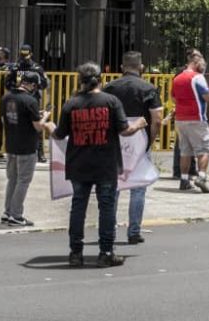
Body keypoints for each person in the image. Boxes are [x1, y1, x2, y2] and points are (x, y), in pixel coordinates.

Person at [50, 63, 148, 268]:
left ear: (80, 80)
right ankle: (106, 252)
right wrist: (138, 125)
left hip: (79, 164)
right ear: (100, 79)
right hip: (105, 164)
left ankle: (75, 253)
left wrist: (46, 125)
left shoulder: (71, 104)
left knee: (78, 207)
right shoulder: (111, 101)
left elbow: (59, 134)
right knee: (107, 207)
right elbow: (124, 130)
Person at [103, 51, 164, 244]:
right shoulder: (149, 89)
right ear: (142, 68)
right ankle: (134, 231)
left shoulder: (109, 87)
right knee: (138, 187)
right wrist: (149, 141)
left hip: (115, 140)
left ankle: (109, 230)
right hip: (139, 139)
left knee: (113, 187)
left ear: (121, 68)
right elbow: (157, 120)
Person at [1, 72, 52, 227]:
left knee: (12, 180)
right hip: (26, 146)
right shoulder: (30, 101)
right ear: (32, 85)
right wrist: (46, 116)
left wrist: (37, 114)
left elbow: (5, 120)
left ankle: (7, 212)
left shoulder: (7, 97)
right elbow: (37, 127)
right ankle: (16, 215)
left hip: (11, 144)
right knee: (23, 181)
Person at [171, 53, 209, 193]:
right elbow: (207, 97)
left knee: (185, 151)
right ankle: (201, 177)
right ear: (195, 63)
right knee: (204, 149)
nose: (203, 67)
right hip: (196, 118)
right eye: (202, 63)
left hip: (180, 119)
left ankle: (184, 180)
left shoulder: (177, 78)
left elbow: (173, 98)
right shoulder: (197, 77)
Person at [7, 44, 50, 161]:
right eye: (22, 55)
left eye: (26, 55)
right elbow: (7, 83)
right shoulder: (16, 68)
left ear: (31, 54)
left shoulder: (37, 68)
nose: (23, 57)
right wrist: (15, 86)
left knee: (36, 124)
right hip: (18, 99)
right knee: (17, 124)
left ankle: (40, 152)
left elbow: (45, 84)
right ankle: (17, 151)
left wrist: (34, 85)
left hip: (33, 100)